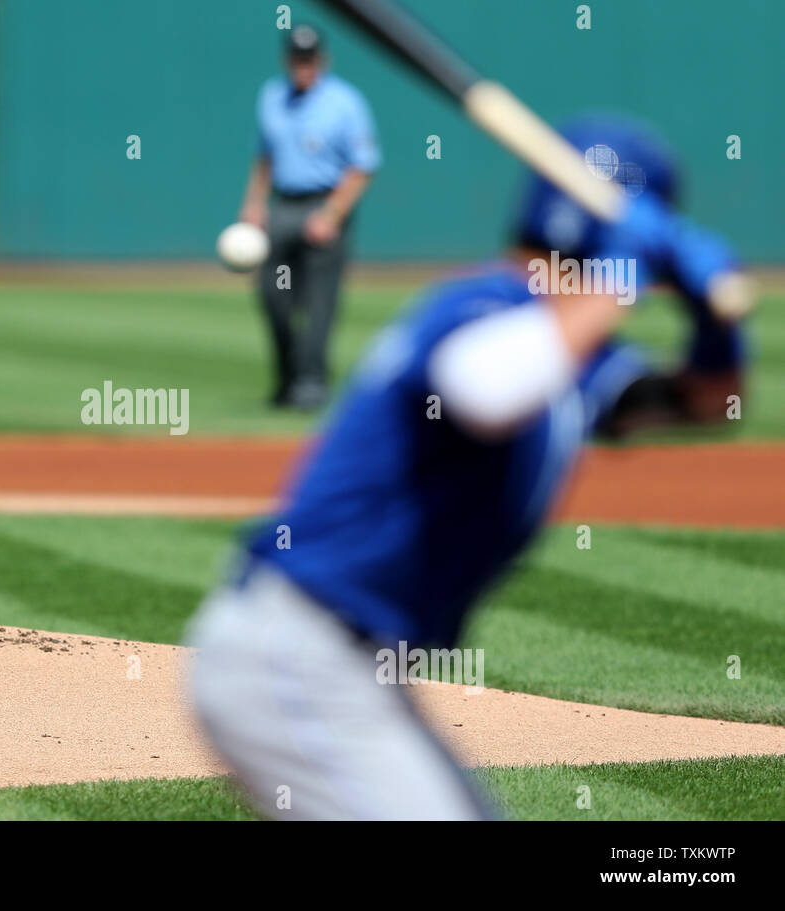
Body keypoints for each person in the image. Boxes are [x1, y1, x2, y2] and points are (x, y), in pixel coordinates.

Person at [188, 115, 749, 819]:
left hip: (347, 670)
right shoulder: (484, 306)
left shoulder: (562, 349)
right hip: (299, 654)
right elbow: (485, 390)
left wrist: (715, 320)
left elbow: (709, 403)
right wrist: (621, 277)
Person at [238, 25, 380, 410]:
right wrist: (254, 203)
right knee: (274, 295)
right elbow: (264, 155)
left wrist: (332, 214)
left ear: (323, 60)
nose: (304, 66)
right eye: (298, 59)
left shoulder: (344, 102)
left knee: (319, 303)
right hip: (283, 206)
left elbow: (363, 165)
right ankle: (287, 381)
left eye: (310, 58)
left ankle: (312, 386)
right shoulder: (272, 97)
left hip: (324, 205)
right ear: (288, 61)